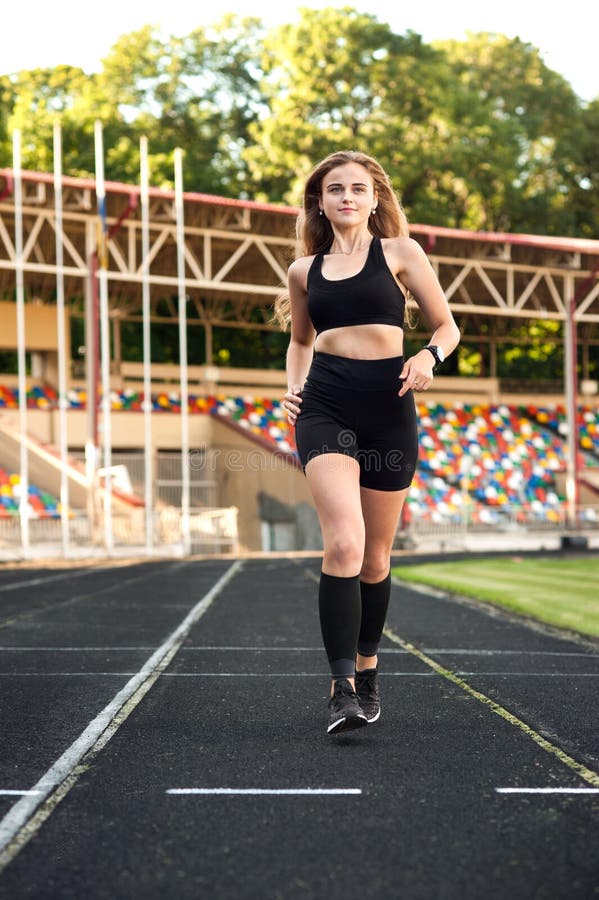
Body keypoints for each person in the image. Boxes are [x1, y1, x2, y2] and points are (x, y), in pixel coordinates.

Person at [274, 150, 460, 735]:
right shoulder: (303, 271)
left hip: (389, 406)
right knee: (344, 544)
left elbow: (447, 326)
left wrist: (428, 356)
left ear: (375, 198)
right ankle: (341, 690)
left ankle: (368, 667)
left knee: (376, 556)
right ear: (320, 201)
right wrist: (293, 389)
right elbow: (300, 342)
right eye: (335, 189)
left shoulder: (402, 253)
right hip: (325, 407)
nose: (347, 197)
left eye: (358, 188)